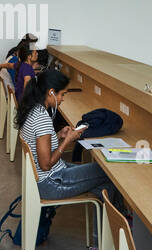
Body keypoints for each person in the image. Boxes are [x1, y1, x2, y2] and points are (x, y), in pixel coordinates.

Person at [16, 67, 121, 207]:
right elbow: (45, 164)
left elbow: (40, 142)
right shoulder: (41, 118)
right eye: (62, 94)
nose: (63, 99)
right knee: (108, 172)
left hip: (48, 176)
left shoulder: (33, 109)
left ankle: (106, 225)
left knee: (104, 185)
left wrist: (59, 135)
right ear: (51, 92)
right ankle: (117, 224)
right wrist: (67, 141)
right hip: (51, 182)